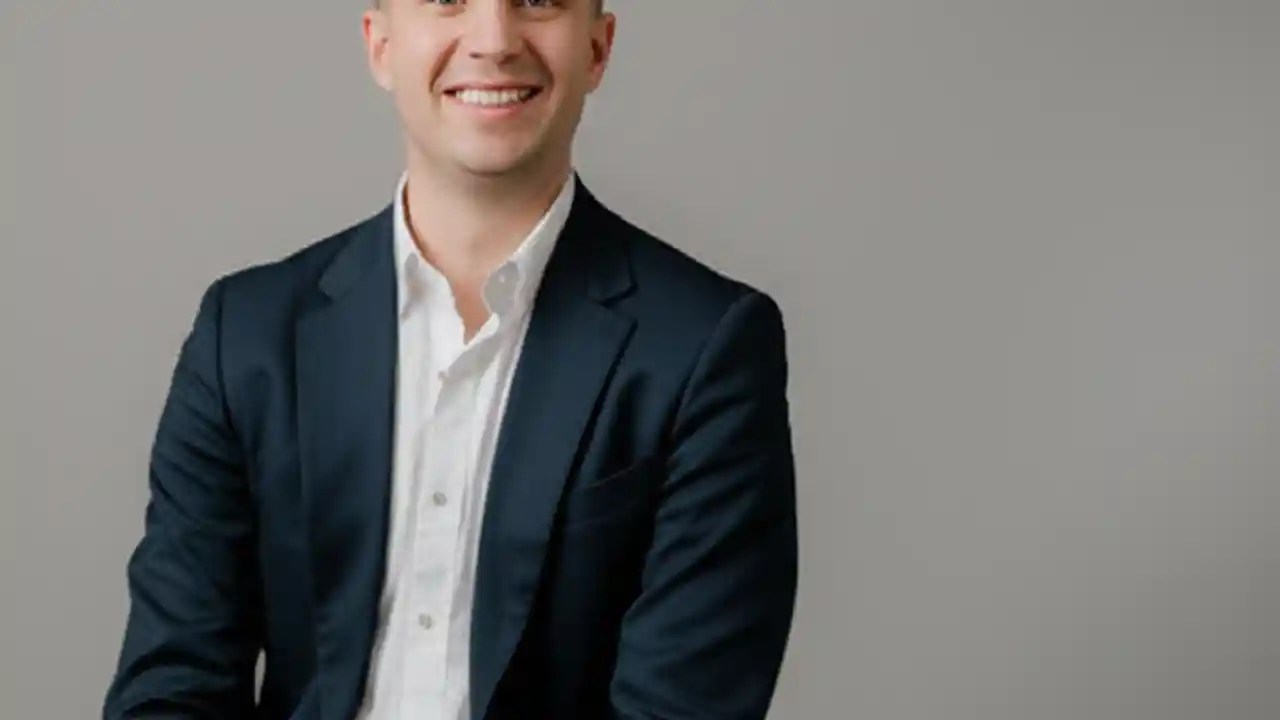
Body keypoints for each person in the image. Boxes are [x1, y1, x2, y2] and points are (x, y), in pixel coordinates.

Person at [103, 1, 797, 718]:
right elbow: (171, 688)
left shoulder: (706, 347)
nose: (494, 41)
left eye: (538, 0)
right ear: (380, 45)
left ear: (598, 46)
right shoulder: (246, 337)